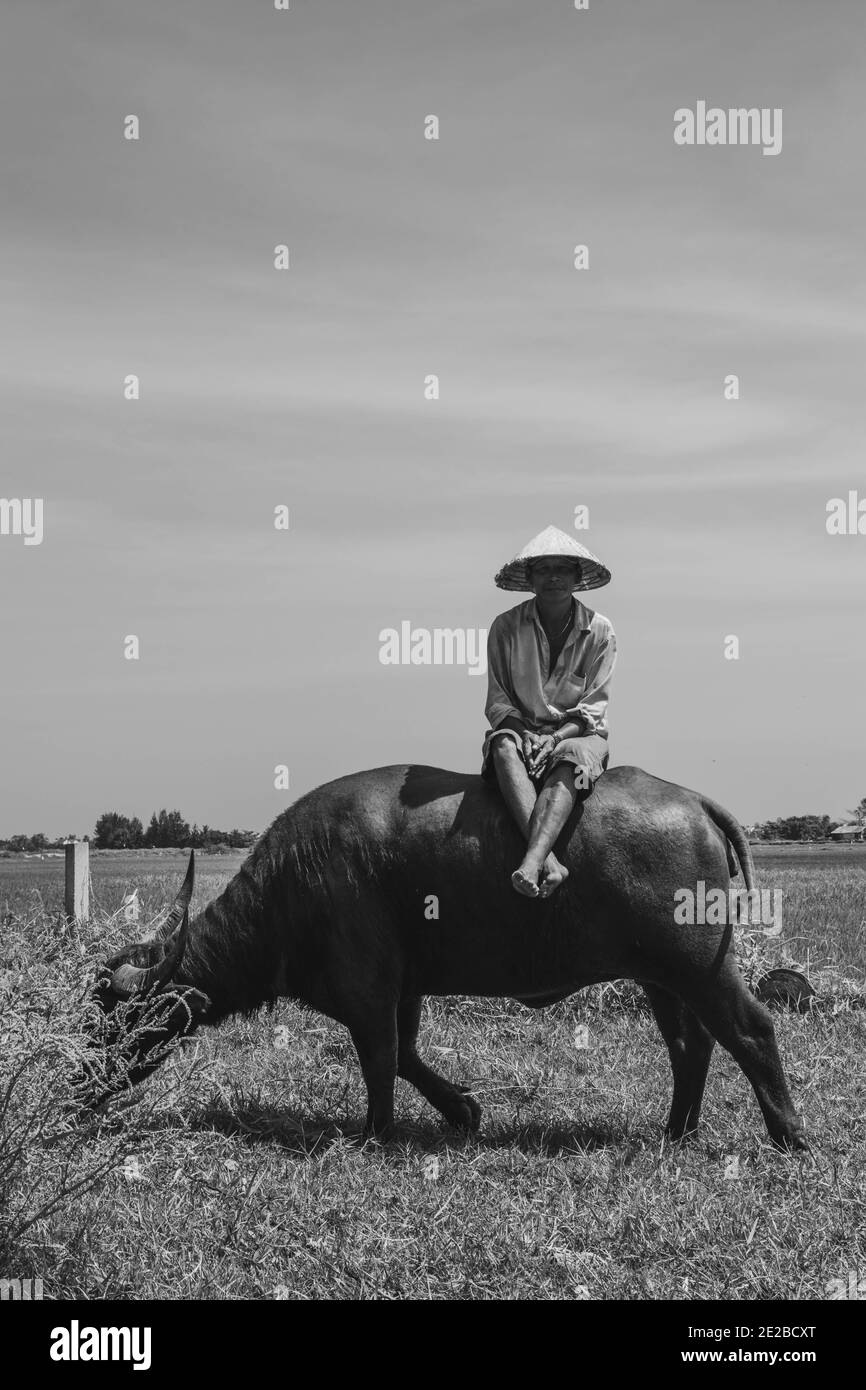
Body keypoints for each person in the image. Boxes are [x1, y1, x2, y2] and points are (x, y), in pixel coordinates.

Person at [481, 525, 616, 898]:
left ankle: (531, 861)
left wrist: (554, 738)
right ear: (530, 578)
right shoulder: (505, 627)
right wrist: (525, 733)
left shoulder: (600, 630)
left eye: (562, 569)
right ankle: (551, 862)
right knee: (503, 746)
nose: (553, 577)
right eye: (543, 569)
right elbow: (498, 699)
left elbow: (594, 705)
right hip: (520, 730)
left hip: (577, 735)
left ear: (576, 577)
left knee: (571, 760)